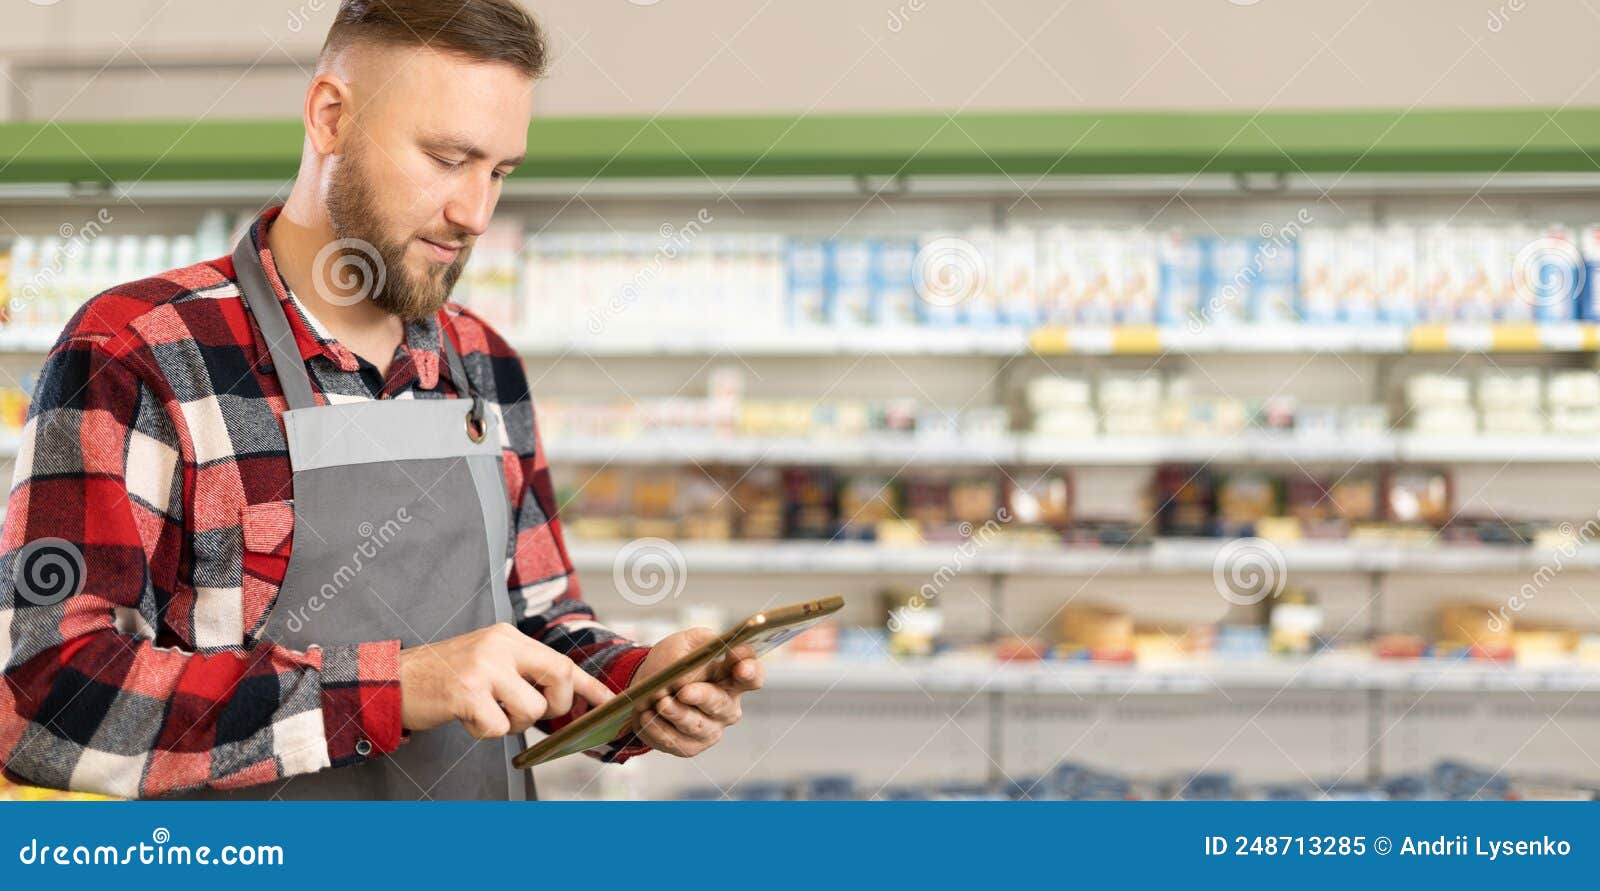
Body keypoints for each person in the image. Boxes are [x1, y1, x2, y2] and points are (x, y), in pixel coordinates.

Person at [0, 0, 761, 800]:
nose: (475, 213)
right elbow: (46, 700)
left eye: (499, 172)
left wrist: (640, 684)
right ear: (331, 117)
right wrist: (395, 688)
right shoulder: (141, 351)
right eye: (448, 159)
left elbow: (535, 622)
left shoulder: (485, 363)